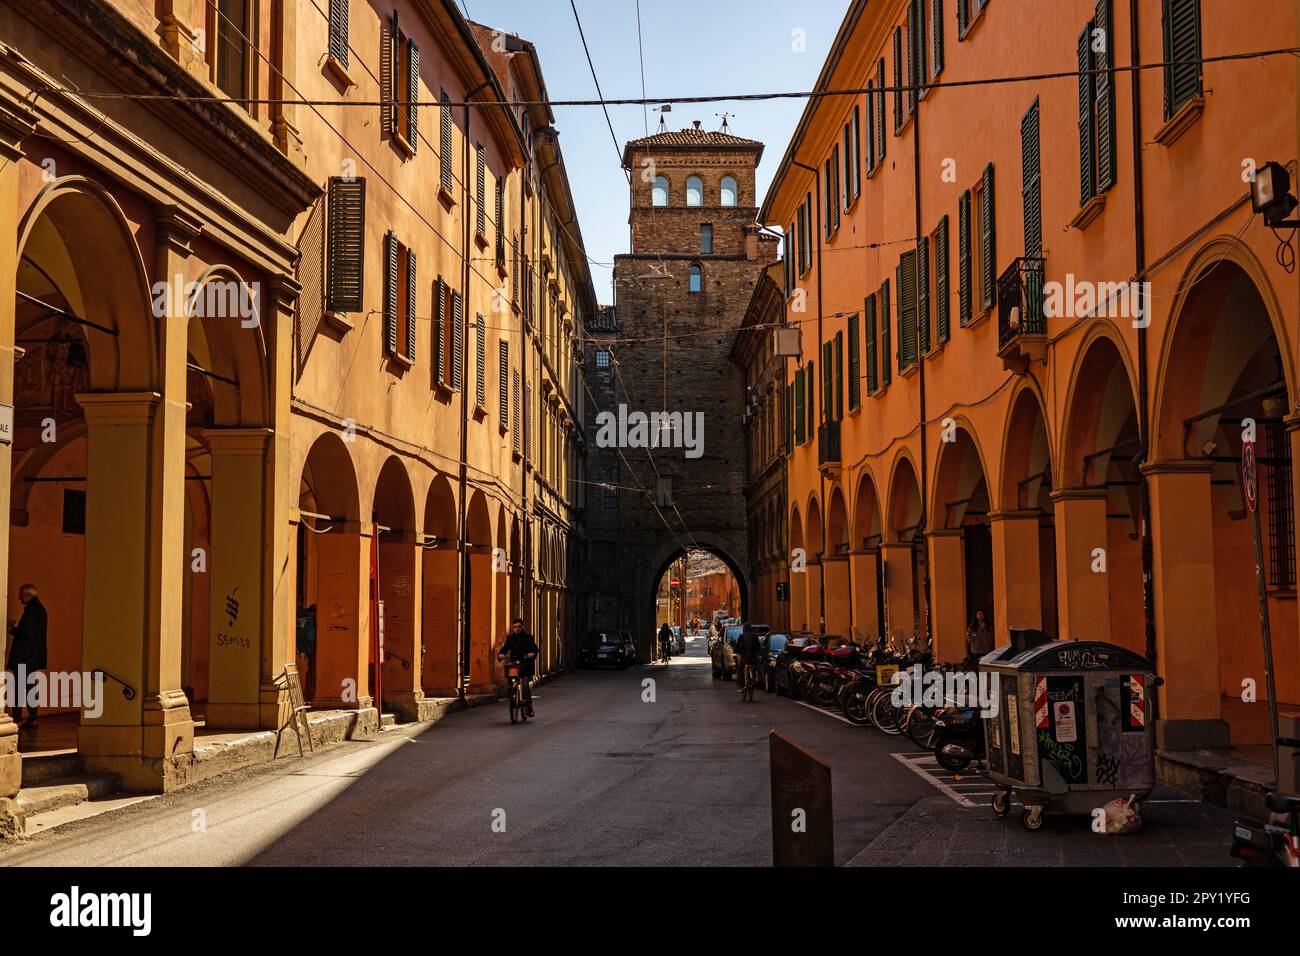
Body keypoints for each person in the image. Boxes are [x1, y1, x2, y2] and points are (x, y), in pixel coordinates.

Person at [6, 583, 48, 728]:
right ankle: (32, 718)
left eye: (21, 594)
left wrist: (11, 629)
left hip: (25, 657)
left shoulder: (32, 611)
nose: (18, 597)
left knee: (19, 688)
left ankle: (17, 718)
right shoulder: (38, 610)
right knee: (29, 687)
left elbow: (26, 634)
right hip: (31, 657)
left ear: (28, 595)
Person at [497, 618, 539, 717]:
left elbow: (534, 648)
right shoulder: (510, 638)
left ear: (522, 627)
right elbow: (504, 649)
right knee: (510, 679)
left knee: (524, 684)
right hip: (514, 663)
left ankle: (529, 707)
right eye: (515, 627)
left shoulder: (528, 637)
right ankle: (512, 694)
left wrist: (532, 654)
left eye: (519, 627)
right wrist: (501, 655)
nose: (517, 628)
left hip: (525, 663)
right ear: (513, 628)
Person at [735, 623, 763, 697]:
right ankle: (756, 679)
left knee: (740, 669)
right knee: (756, 668)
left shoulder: (741, 637)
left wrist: (740, 652)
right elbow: (758, 647)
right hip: (753, 659)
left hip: (744, 659)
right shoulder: (755, 636)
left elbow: (736, 648)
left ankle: (742, 685)